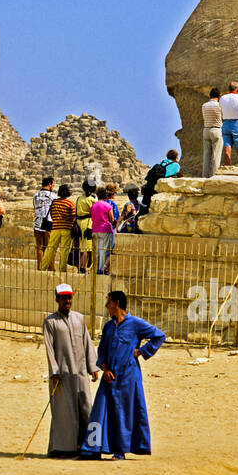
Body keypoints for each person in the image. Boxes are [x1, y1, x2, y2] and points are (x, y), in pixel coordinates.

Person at [79, 290, 166, 460]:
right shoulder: (109, 326)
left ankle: (120, 451)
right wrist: (105, 368)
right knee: (100, 411)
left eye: (108, 302)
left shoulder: (135, 323)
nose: (106, 306)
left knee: (124, 412)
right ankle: (92, 449)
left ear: (117, 303)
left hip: (128, 377)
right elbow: (102, 350)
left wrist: (141, 351)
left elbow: (159, 336)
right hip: (109, 377)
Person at [43, 284, 100, 457]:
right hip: (62, 375)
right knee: (64, 412)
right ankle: (62, 448)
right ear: (57, 299)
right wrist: (55, 371)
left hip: (81, 372)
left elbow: (87, 342)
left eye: (69, 297)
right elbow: (49, 349)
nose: (67, 300)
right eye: (63, 297)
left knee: (85, 408)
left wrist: (93, 367)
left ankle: (86, 447)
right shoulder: (50, 322)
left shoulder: (79, 318)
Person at [40, 184, 77, 272]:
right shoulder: (70, 203)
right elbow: (73, 217)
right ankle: (62, 269)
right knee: (64, 250)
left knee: (50, 249)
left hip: (55, 228)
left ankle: (43, 268)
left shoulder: (54, 202)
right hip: (67, 229)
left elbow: (52, 215)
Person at [219, 81, 238, 166]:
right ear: (237, 89)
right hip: (237, 123)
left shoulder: (222, 98)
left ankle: (227, 166)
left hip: (226, 123)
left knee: (227, 148)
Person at [91, 186, 115, 275]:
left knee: (97, 250)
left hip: (95, 229)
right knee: (104, 250)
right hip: (105, 229)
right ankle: (101, 269)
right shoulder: (108, 205)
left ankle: (96, 268)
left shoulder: (93, 205)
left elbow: (93, 217)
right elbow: (112, 219)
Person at [32, 177, 55, 268]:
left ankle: (40, 268)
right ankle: (50, 268)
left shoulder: (35, 195)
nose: (53, 186)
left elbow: (35, 207)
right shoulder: (53, 196)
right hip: (48, 224)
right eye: (53, 184)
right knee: (49, 248)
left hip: (37, 223)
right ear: (49, 184)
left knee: (39, 248)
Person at [200, 86, 223, 177]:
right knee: (216, 156)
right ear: (219, 96)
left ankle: (204, 176)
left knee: (206, 156)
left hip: (206, 129)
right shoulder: (219, 105)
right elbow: (222, 117)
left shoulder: (204, 105)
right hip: (216, 129)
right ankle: (214, 176)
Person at [74, 180, 96, 273]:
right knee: (86, 247)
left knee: (82, 247)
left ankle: (81, 266)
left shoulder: (79, 198)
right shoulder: (92, 199)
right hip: (88, 223)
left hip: (79, 223)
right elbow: (94, 212)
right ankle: (83, 267)